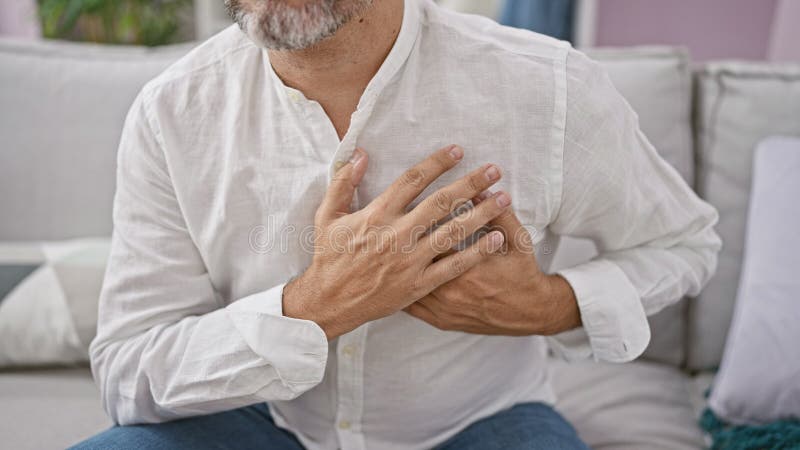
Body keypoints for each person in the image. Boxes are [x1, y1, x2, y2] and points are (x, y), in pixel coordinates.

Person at [73, 0, 721, 448]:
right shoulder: (172, 115)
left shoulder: (548, 89)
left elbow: (684, 242)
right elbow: (129, 369)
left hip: (484, 425)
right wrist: (312, 306)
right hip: (261, 423)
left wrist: (552, 305)